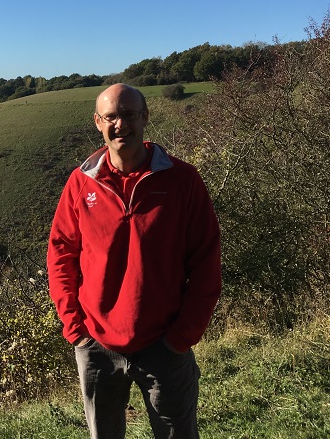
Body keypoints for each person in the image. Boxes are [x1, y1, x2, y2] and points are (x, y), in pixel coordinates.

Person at [47, 83, 221, 439]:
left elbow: (206, 261)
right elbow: (60, 254)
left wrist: (182, 336)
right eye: (111, 116)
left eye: (128, 114)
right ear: (98, 122)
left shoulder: (182, 180)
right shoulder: (81, 183)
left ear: (145, 117)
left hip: (164, 345)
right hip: (95, 345)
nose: (120, 124)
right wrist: (75, 327)